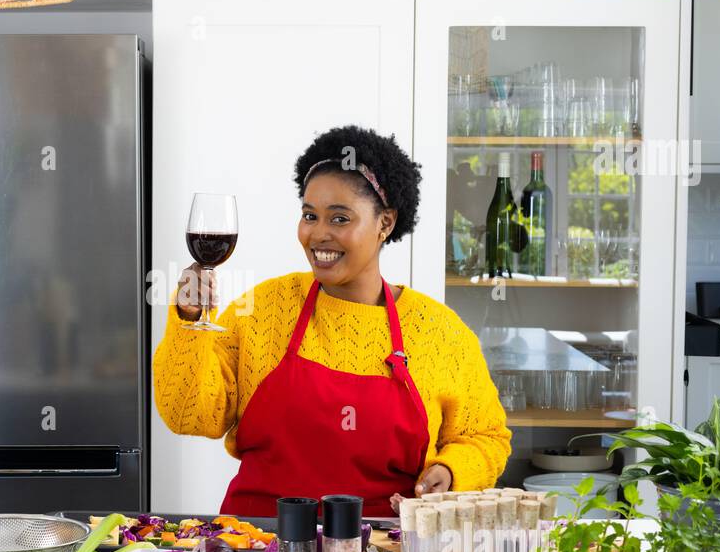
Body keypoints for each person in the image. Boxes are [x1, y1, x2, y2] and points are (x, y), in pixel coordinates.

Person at [153, 124, 511, 517]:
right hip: (258, 544)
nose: (318, 234)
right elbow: (191, 416)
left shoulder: (438, 332)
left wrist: (451, 468)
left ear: (385, 224)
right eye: (310, 215)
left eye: (340, 219)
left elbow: (486, 437)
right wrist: (189, 320)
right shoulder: (264, 309)